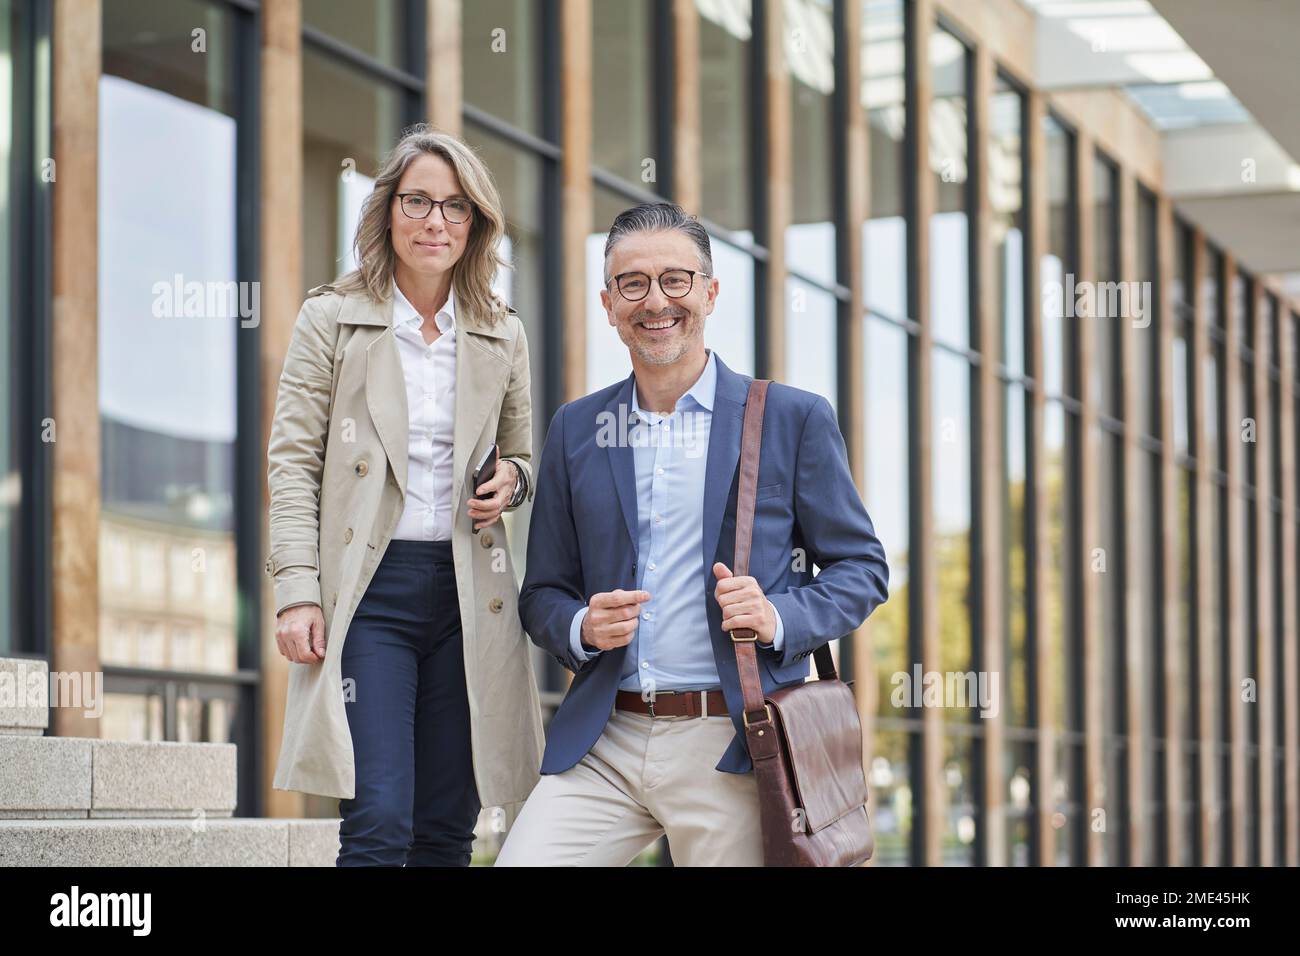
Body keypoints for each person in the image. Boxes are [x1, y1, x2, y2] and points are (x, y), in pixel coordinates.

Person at [496, 201, 888, 866]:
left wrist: (778, 615)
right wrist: (582, 626)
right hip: (605, 741)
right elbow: (543, 594)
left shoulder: (792, 419)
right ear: (608, 301)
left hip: (731, 744)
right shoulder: (575, 429)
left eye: (676, 280)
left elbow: (862, 567)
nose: (656, 302)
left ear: (709, 292)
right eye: (633, 283)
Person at [265, 124, 544, 866]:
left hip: (468, 597)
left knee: (447, 827)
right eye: (418, 201)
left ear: (475, 225)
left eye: (455, 208)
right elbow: (292, 461)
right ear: (388, 209)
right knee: (379, 818)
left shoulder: (501, 332)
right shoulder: (332, 317)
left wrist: (513, 482)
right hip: (370, 593)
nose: (435, 222)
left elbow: (521, 455)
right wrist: (297, 589)